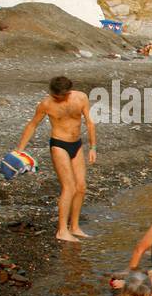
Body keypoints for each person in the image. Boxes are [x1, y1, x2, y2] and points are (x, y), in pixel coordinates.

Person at [14, 75, 98, 242]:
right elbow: (32, 125)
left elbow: (89, 122)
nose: (56, 98)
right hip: (59, 144)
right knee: (69, 187)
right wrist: (20, 150)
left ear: (68, 92)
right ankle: (61, 230)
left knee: (81, 187)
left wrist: (93, 147)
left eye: (59, 96)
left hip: (77, 144)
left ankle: (74, 227)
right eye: (54, 95)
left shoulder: (81, 97)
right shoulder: (46, 104)